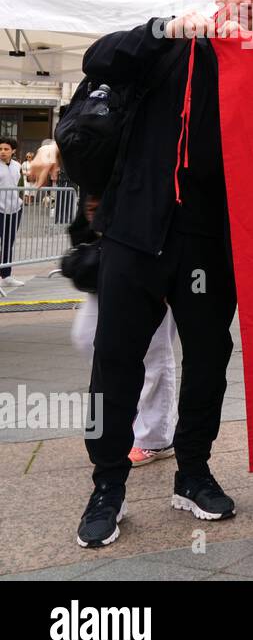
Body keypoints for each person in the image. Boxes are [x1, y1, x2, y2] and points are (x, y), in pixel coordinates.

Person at [75, 0, 253, 548]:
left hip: (207, 242)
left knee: (209, 360)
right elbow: (99, 58)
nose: (245, 2)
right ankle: (106, 484)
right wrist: (163, 29)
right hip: (134, 231)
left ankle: (193, 470)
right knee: (113, 363)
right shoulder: (165, 43)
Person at [67, 192, 179, 466]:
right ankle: (127, 408)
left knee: (155, 347)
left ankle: (156, 437)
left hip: (155, 235)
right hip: (115, 233)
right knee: (88, 335)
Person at [0, 138, 23, 287]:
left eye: (6, 149)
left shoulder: (17, 165)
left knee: (8, 243)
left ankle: (7, 276)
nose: (2, 152)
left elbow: (19, 185)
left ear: (13, 151)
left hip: (15, 209)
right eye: (0, 149)